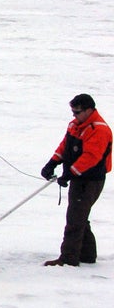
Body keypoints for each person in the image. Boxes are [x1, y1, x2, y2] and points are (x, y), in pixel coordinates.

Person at [40, 93, 111, 266]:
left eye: (77, 112)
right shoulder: (75, 125)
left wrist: (69, 173)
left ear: (89, 110)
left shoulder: (98, 129)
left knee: (75, 218)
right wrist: (52, 163)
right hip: (78, 178)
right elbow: (65, 146)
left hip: (90, 181)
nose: (74, 115)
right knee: (79, 216)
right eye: (72, 112)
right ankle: (87, 255)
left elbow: (91, 157)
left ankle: (69, 258)